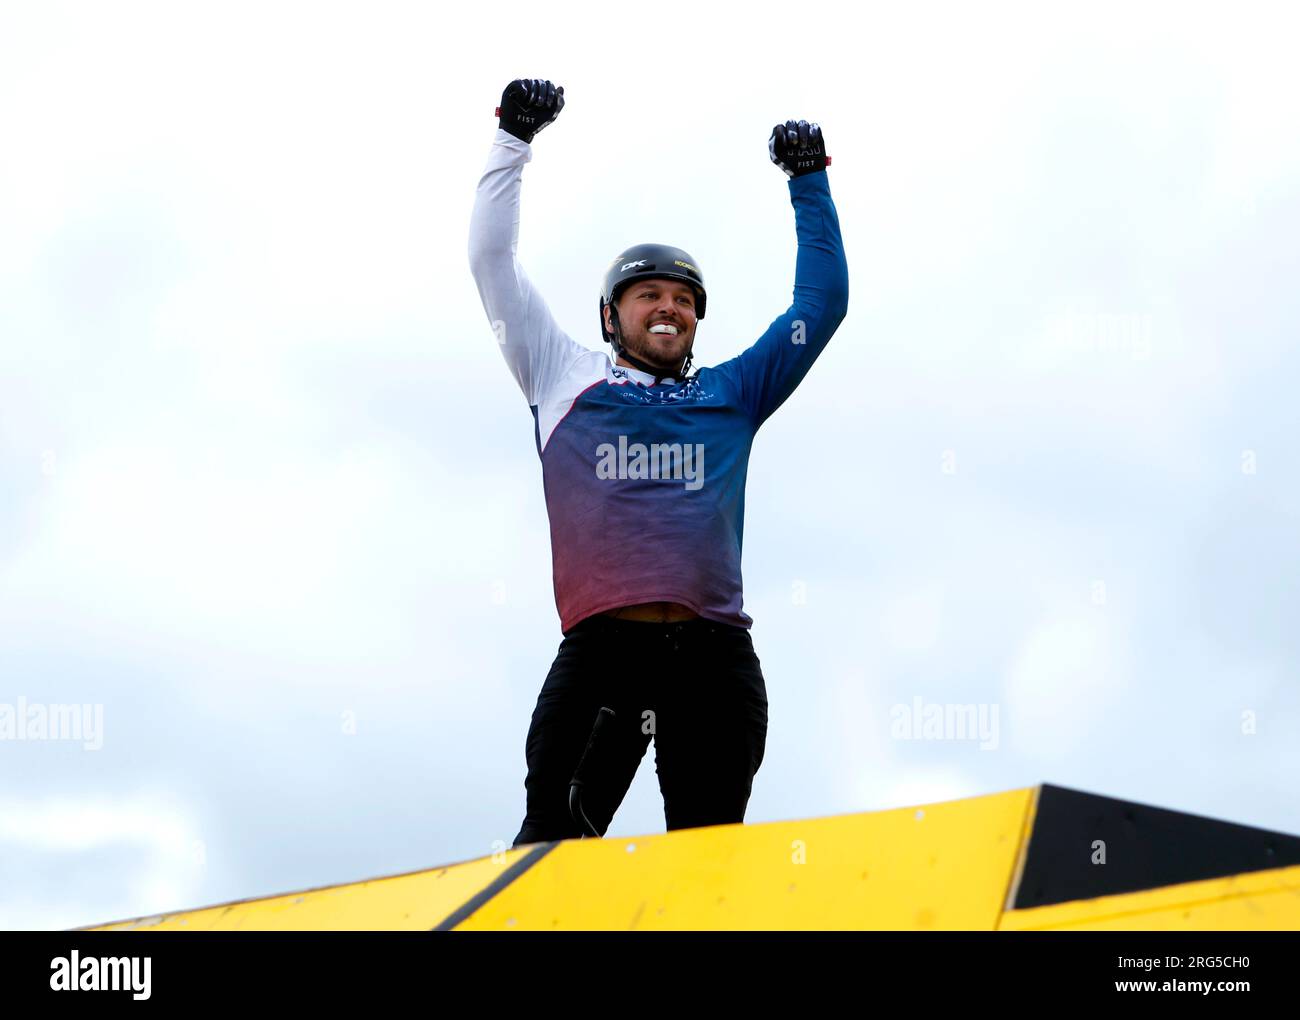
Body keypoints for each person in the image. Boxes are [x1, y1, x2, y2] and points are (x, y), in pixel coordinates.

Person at [468, 78, 849, 846]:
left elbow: (822, 305)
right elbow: (491, 260)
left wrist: (810, 182)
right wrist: (513, 137)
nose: (667, 306)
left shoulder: (734, 392)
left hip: (713, 660)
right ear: (611, 316)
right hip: (603, 654)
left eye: (683, 297)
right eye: (646, 294)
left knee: (708, 870)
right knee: (550, 850)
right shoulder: (558, 373)